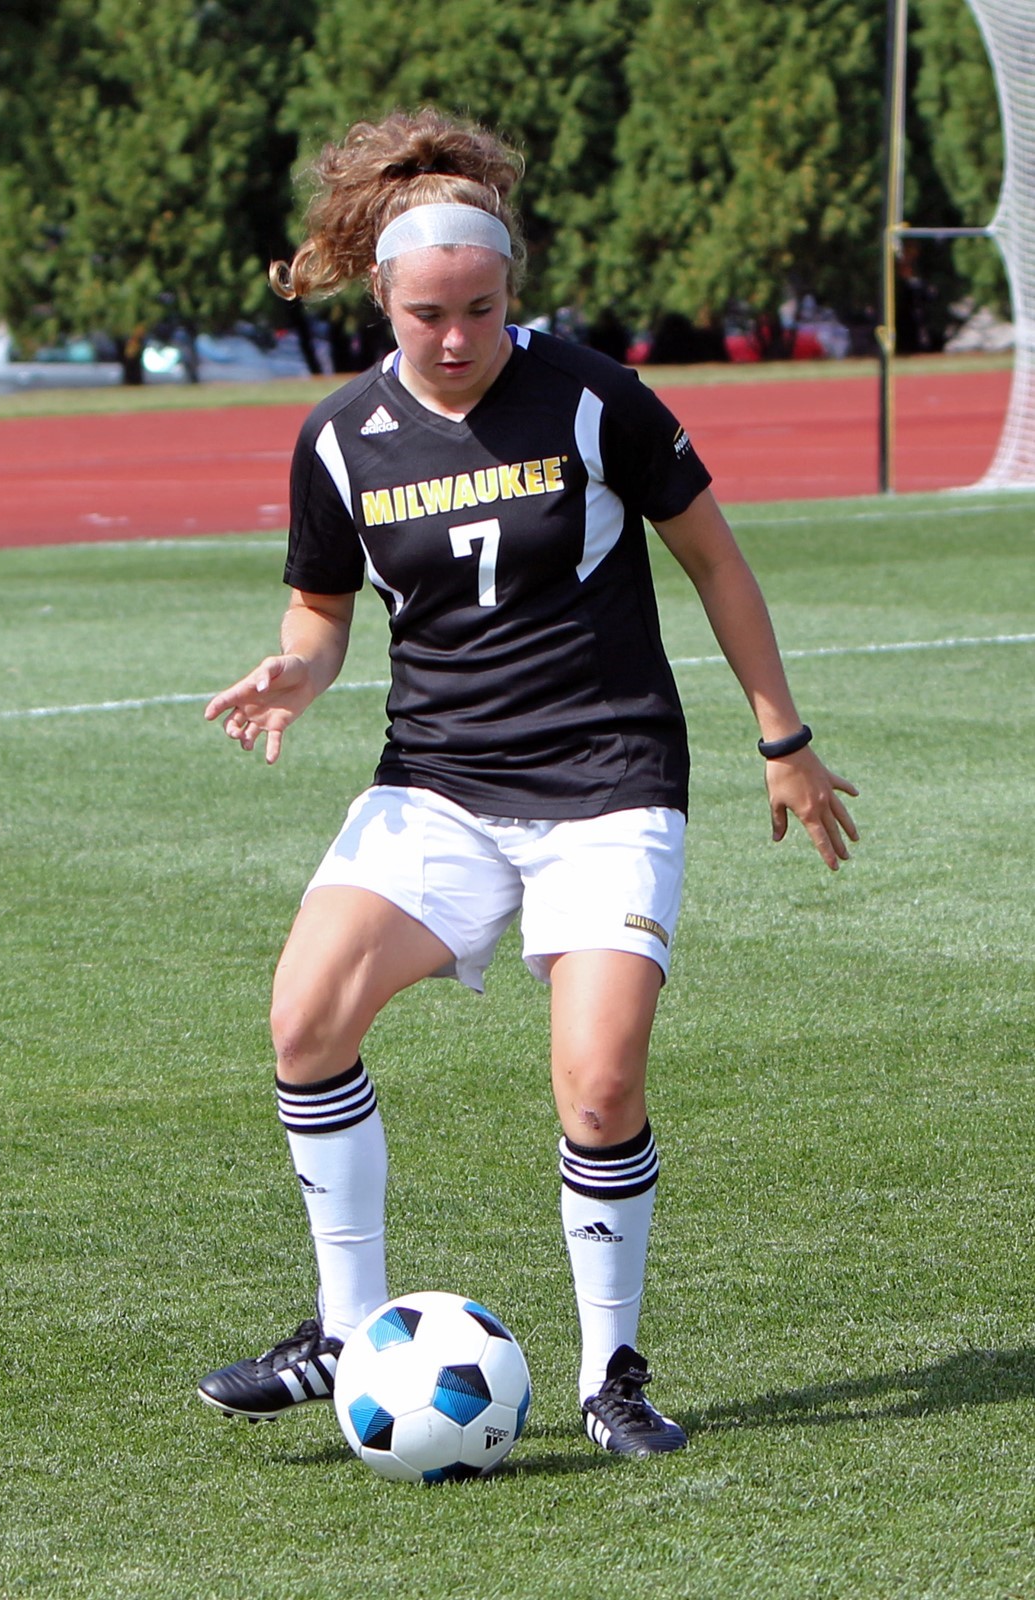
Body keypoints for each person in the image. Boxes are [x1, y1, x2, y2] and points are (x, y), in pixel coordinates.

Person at [196, 107, 858, 1459]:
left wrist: (780, 738)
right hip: (436, 781)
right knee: (304, 1016)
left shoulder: (598, 396)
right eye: (429, 313)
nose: (457, 337)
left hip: (608, 781)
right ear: (380, 297)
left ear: (514, 294)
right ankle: (343, 1328)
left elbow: (716, 562)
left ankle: (611, 1375)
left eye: (483, 310)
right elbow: (322, 619)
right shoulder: (337, 440)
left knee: (600, 1085)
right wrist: (291, 675)